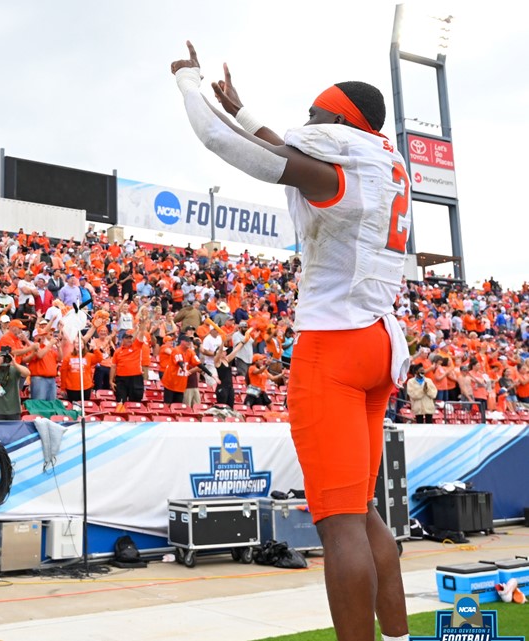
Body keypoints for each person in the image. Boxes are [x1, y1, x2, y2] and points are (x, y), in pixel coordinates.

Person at [171, 42, 411, 641]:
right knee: (364, 514)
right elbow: (284, 149)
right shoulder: (379, 163)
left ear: (337, 125)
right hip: (380, 341)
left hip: (333, 347)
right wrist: (244, 108)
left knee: (340, 527)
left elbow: (229, 147)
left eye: (315, 116)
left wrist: (188, 82)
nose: (308, 126)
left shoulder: (333, 170)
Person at [0, 345, 31, 421]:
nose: (5, 360)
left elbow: (27, 373)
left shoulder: (14, 369)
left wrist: (15, 364)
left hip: (14, 409)